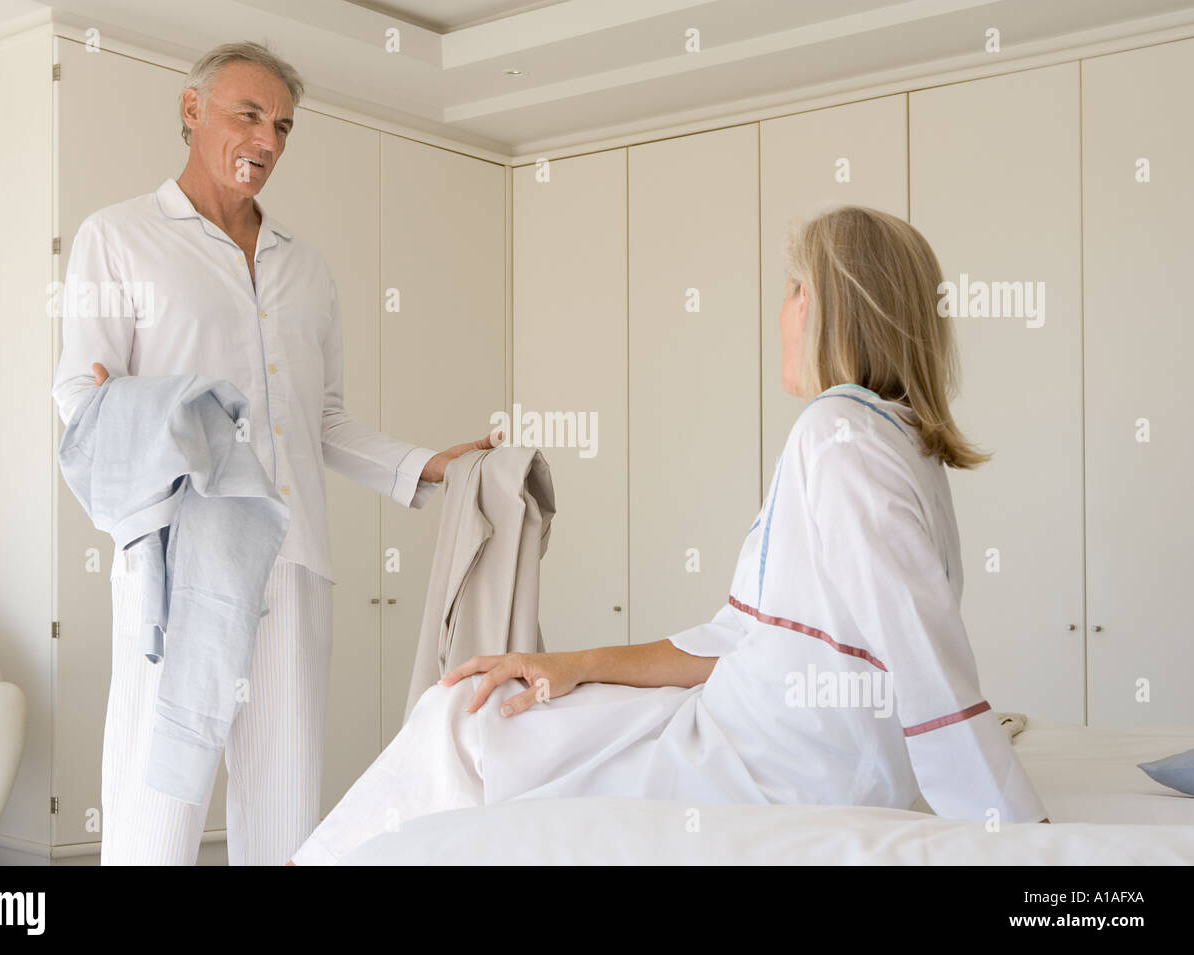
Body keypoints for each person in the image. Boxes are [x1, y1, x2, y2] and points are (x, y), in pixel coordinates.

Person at [288, 204, 1051, 866]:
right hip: (766, 735)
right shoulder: (897, 440)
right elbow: (736, 641)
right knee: (478, 716)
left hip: (769, 767)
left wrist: (1019, 836)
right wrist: (574, 665)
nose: (782, 310)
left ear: (829, 307)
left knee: (459, 723)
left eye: (794, 288)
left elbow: (922, 651)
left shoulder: (836, 434)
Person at [51, 41, 493, 865]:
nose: (267, 140)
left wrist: (429, 464)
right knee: (157, 809)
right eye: (248, 115)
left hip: (292, 561)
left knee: (286, 813)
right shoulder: (118, 239)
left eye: (283, 126)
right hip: (178, 565)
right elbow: (81, 401)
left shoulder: (307, 270)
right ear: (193, 111)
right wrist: (145, 405)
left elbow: (320, 421)